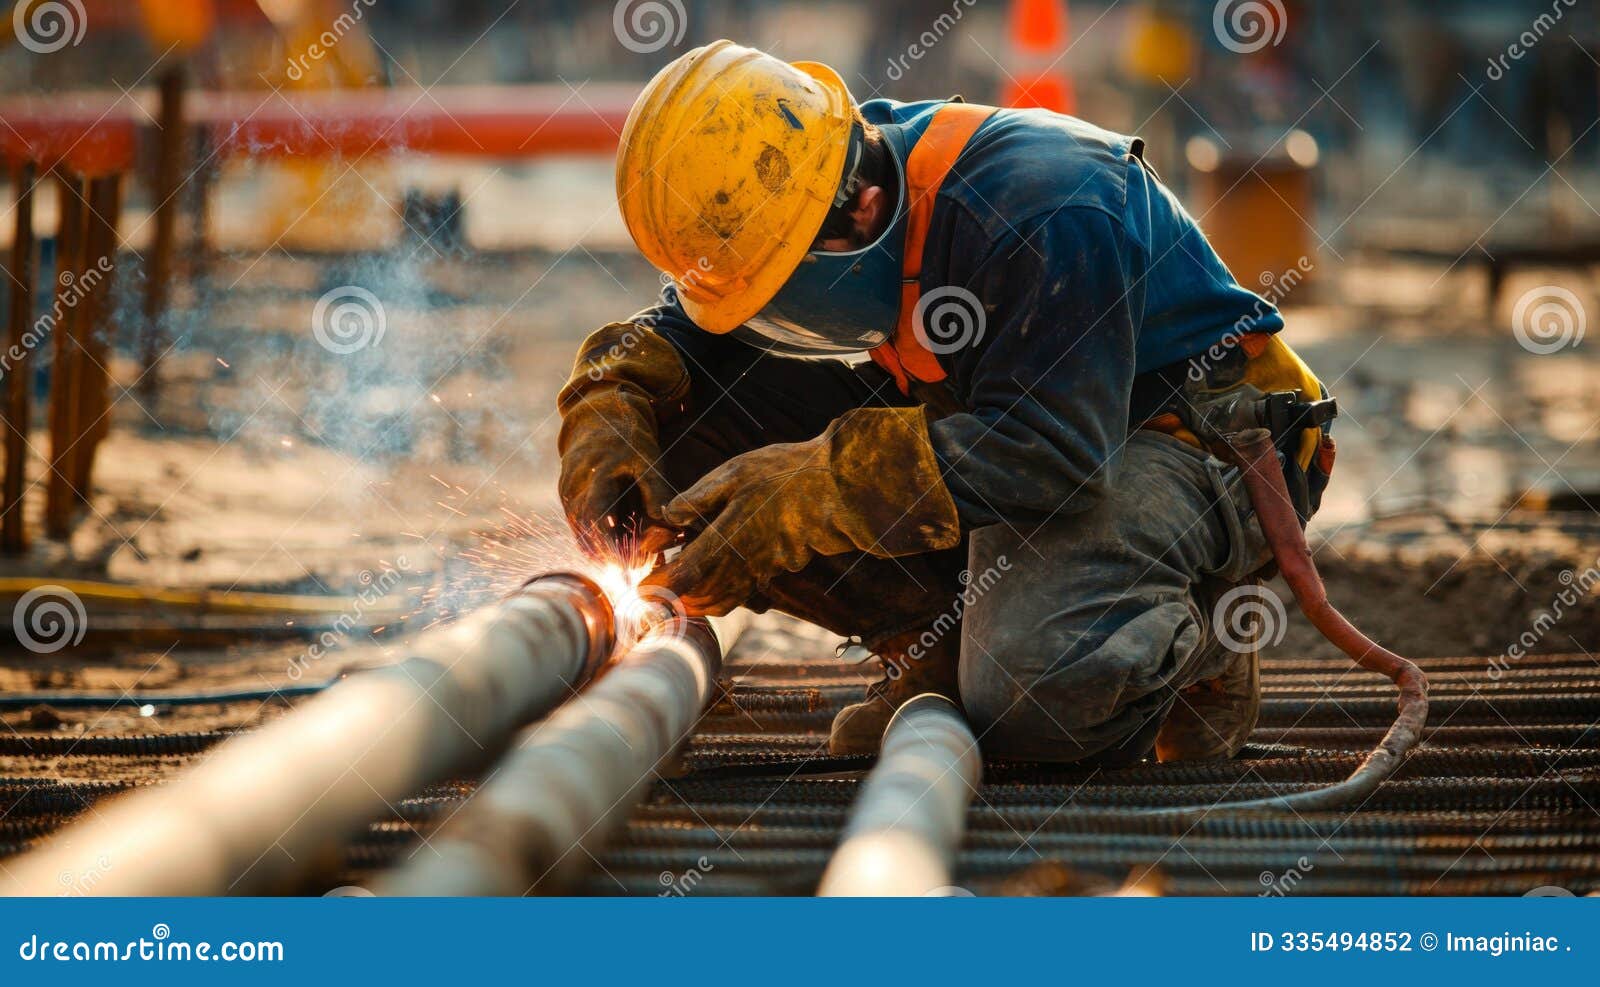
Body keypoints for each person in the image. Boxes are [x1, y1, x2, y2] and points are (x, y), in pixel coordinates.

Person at [557, 41, 1335, 761]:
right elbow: (678, 333)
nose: (766, 317)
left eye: (772, 292)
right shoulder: (819, 176)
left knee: (1030, 689)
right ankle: (937, 642)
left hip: (1193, 436)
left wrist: (813, 486)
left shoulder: (1041, 207)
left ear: (858, 213)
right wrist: (611, 390)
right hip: (1021, 418)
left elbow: (1057, 452)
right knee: (680, 406)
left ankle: (1194, 638)